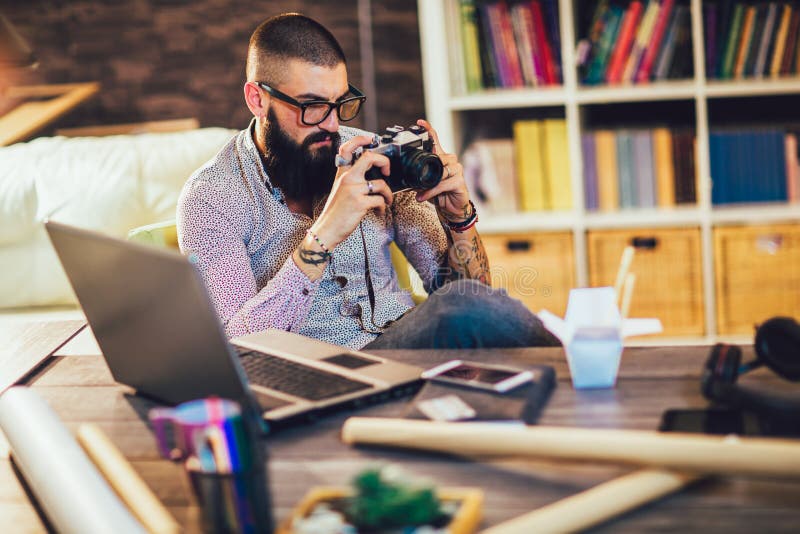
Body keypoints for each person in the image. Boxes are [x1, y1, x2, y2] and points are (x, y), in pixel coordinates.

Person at [177, 13, 557, 350]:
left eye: (340, 103)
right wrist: (323, 236)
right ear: (257, 100)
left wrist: (459, 218)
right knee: (460, 311)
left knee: (465, 307)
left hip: (405, 351)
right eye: (312, 107)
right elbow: (238, 349)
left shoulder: (371, 156)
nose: (330, 124)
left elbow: (467, 294)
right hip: (317, 375)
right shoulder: (212, 198)